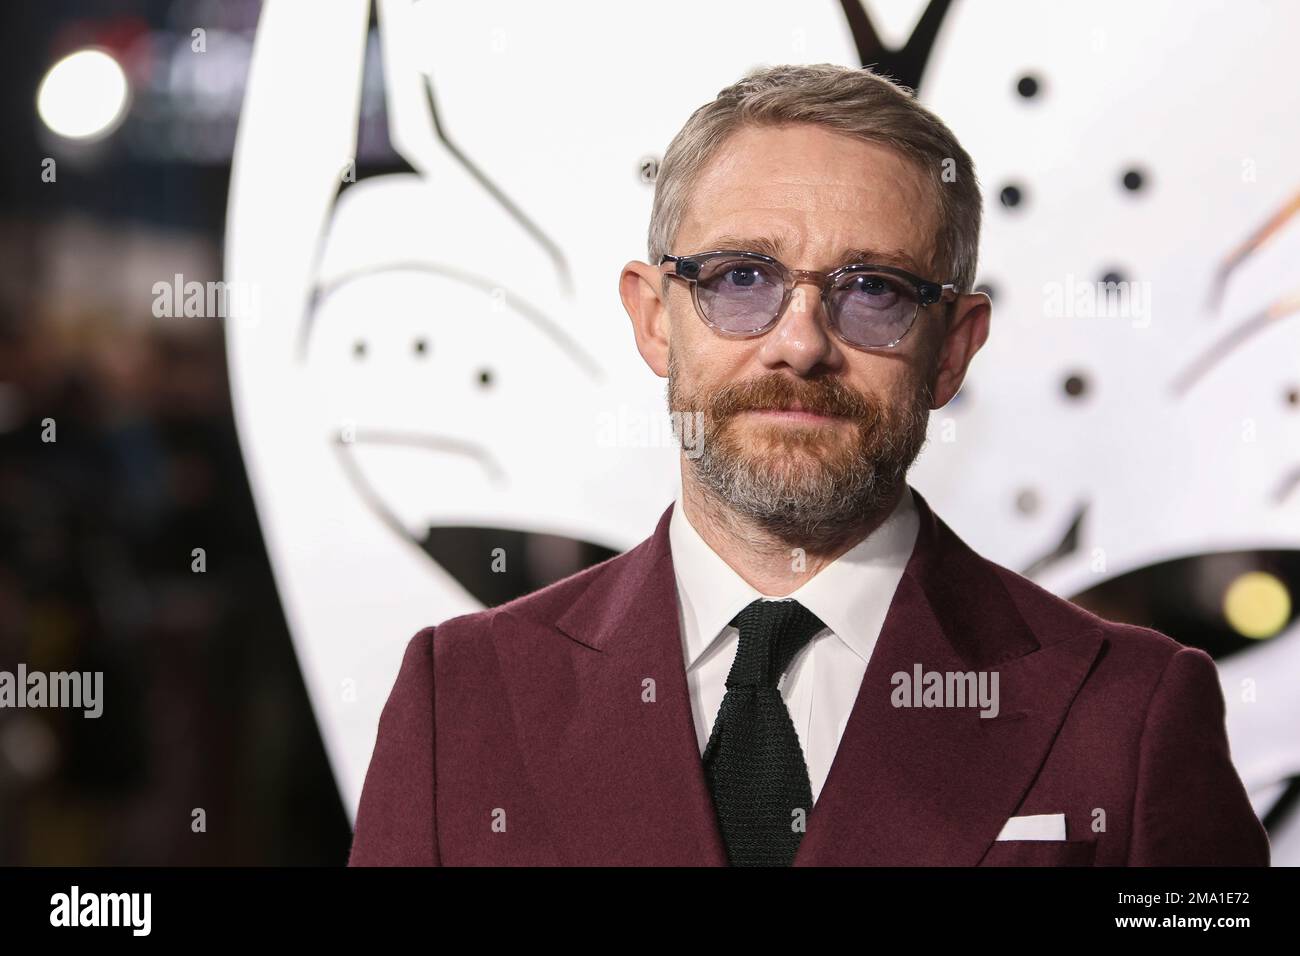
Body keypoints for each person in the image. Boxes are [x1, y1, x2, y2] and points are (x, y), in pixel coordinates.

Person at [347, 63, 1269, 866]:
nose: (800, 343)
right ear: (653, 316)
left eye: (874, 290)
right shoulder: (460, 699)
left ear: (953, 348)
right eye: (741, 277)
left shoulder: (1131, 714)